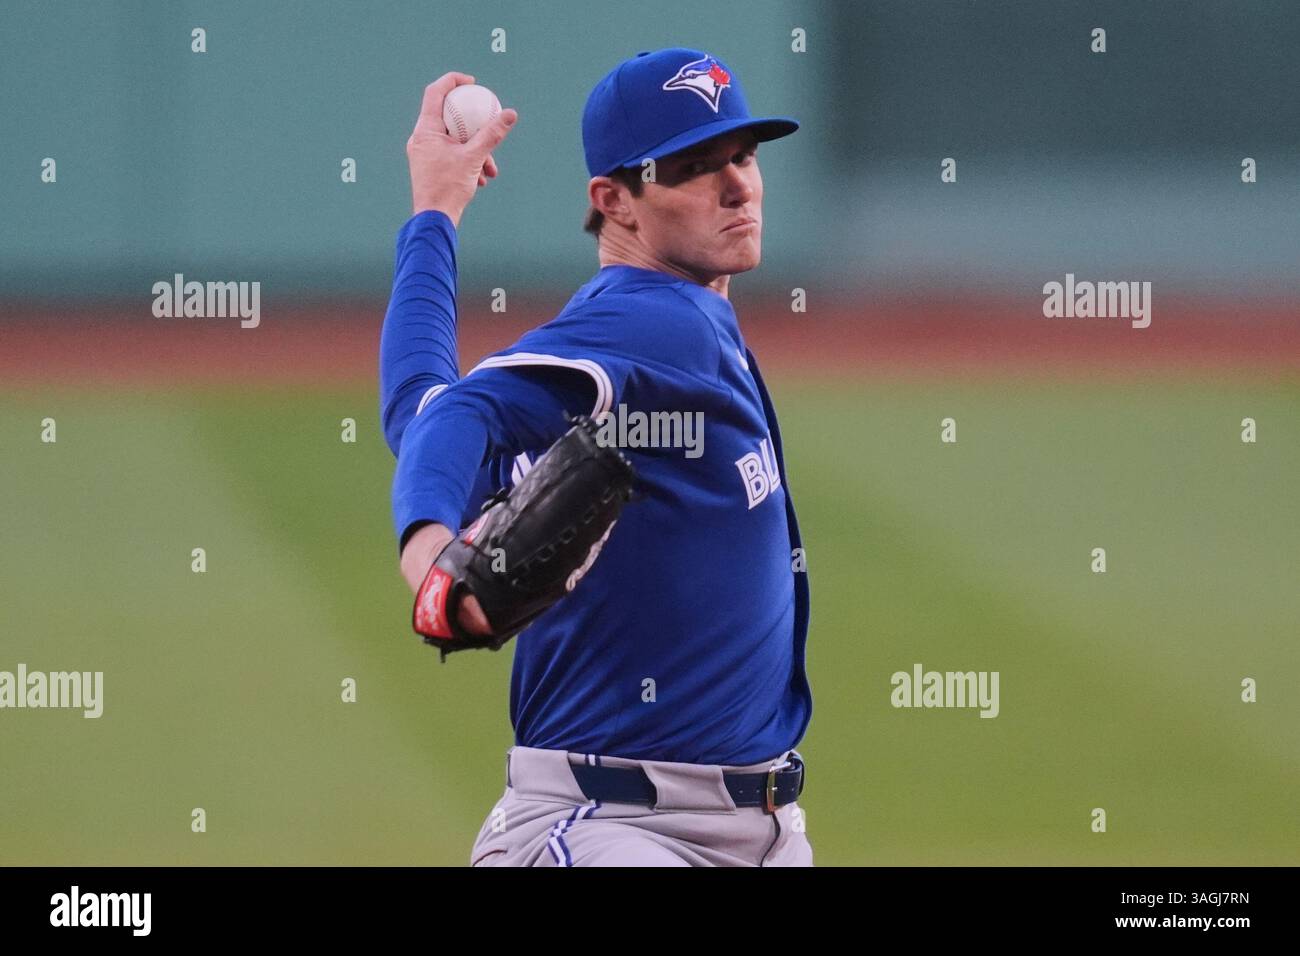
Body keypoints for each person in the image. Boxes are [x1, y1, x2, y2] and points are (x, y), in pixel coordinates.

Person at [379, 48, 812, 867]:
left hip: (743, 830)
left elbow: (422, 412)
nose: (738, 185)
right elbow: (462, 411)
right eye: (693, 166)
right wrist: (431, 559)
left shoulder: (639, 351)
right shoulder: (659, 321)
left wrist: (435, 214)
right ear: (615, 201)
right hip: (616, 833)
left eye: (744, 155)